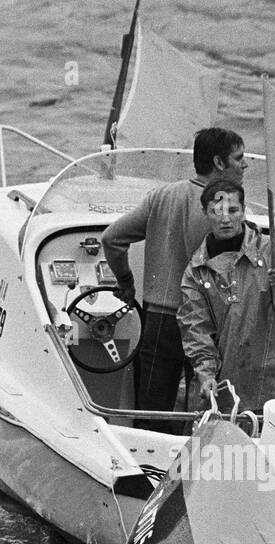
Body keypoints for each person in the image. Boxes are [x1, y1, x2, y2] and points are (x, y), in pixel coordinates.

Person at [102, 126, 247, 431]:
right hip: (208, 327)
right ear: (219, 163)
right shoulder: (228, 213)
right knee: (210, 417)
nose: (245, 165)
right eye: (239, 158)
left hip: (159, 323)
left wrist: (126, 283)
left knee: (152, 416)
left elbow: (112, 239)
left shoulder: (161, 197)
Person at [178, 180, 275, 416]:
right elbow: (196, 329)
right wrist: (206, 374)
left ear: (243, 210)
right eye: (216, 211)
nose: (225, 219)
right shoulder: (196, 271)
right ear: (205, 214)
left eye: (232, 210)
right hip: (229, 387)